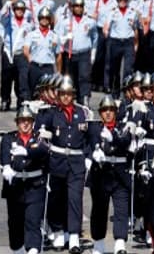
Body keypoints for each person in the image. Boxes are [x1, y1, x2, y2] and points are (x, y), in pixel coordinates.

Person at [37, 76, 91, 253]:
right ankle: (59, 230)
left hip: (76, 162)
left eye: (69, 94)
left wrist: (88, 156)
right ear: (58, 95)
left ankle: (74, 236)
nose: (66, 97)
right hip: (57, 161)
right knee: (57, 198)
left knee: (75, 198)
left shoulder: (83, 112)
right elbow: (40, 138)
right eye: (63, 94)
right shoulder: (50, 113)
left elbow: (90, 137)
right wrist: (47, 148)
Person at [1, 103, 50, 254]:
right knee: (15, 223)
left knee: (33, 222)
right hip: (15, 187)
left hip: (34, 186)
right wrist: (6, 166)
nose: (25, 123)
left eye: (28, 120)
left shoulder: (40, 138)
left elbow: (43, 150)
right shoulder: (9, 138)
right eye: (22, 120)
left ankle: (33, 250)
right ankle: (18, 249)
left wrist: (27, 151)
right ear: (17, 122)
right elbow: (4, 154)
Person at [88, 96, 133, 254]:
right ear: (100, 113)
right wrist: (91, 155)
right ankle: (98, 242)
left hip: (120, 173)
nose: (108, 113)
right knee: (99, 209)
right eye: (105, 110)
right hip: (101, 173)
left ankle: (120, 242)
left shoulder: (123, 127)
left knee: (121, 209)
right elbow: (87, 143)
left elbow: (125, 141)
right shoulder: (94, 128)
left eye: (111, 110)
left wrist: (113, 137)